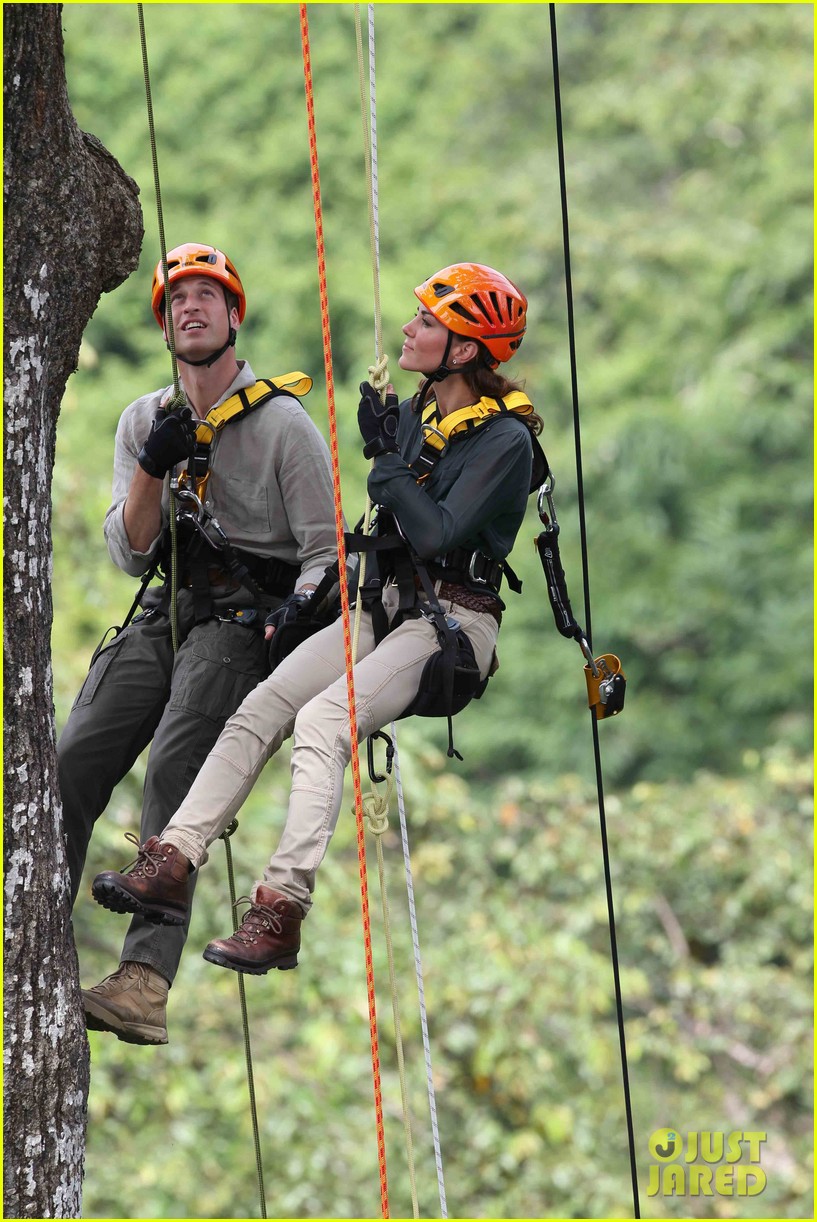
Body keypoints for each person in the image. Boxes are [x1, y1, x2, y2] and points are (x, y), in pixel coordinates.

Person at [90, 261, 544, 978]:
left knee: (324, 720)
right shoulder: (424, 416)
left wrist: (384, 459)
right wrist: (312, 596)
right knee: (263, 706)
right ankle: (171, 856)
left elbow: (437, 533)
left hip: (452, 619)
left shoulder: (504, 442)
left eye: (427, 322)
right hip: (384, 605)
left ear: (462, 349)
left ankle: (279, 910)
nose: (408, 328)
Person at [59, 242, 339, 1044]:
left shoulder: (282, 425)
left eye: (207, 297)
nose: (191, 308)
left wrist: (291, 625)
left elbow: (323, 553)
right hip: (166, 607)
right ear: (163, 323)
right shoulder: (144, 420)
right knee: (75, 757)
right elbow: (129, 551)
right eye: (177, 299)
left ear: (233, 315)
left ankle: (143, 981)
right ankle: (29, 925)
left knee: (177, 766)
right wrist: (153, 466)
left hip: (244, 620)